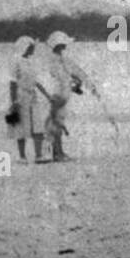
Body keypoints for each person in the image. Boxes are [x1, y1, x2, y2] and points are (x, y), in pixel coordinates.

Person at [41, 30, 92, 162]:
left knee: (57, 123)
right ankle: (57, 153)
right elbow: (61, 79)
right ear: (59, 45)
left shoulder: (59, 59)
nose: (66, 46)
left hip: (61, 95)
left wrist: (75, 84)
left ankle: (58, 152)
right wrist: (74, 82)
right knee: (56, 124)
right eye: (64, 44)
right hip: (58, 96)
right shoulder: (55, 61)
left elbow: (66, 78)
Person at [6, 35, 46, 163]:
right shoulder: (16, 61)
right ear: (26, 47)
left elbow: (36, 82)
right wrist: (14, 102)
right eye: (32, 46)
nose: (33, 49)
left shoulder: (31, 61)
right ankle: (22, 156)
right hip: (20, 96)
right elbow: (12, 82)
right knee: (20, 127)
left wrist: (48, 95)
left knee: (37, 125)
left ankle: (39, 155)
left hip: (32, 96)